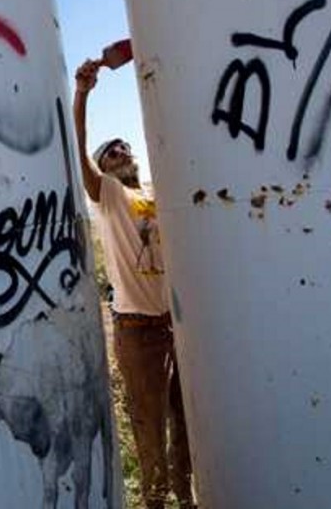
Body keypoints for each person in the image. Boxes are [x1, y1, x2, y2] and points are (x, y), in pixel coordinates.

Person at [73, 39, 194, 509]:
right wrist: (82, 95)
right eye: (111, 152)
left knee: (188, 426)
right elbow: (81, 154)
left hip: (177, 326)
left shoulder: (160, 194)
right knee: (150, 429)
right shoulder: (109, 196)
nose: (120, 150)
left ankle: (188, 499)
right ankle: (157, 501)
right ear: (104, 168)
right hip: (138, 331)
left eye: (124, 146)